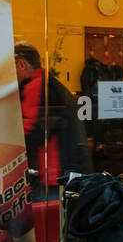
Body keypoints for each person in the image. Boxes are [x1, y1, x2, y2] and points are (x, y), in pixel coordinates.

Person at [16, 42, 90, 192]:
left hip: (48, 173)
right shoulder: (50, 83)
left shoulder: (35, 85)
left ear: (21, 64)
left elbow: (30, 130)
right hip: (61, 170)